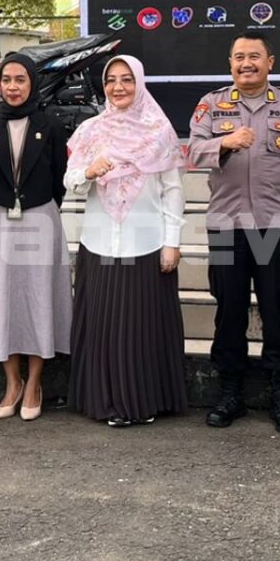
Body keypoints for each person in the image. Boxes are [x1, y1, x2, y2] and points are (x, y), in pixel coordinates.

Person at [188, 34, 280, 434]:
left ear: (270, 62)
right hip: (227, 226)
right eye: (240, 57)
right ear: (230, 63)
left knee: (276, 309)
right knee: (228, 310)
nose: (247, 63)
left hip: (274, 224)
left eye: (255, 57)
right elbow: (193, 152)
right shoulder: (211, 104)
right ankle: (230, 394)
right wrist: (224, 142)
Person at [65, 55, 188, 428]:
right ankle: (106, 403)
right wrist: (89, 171)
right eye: (111, 80)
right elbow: (69, 181)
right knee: (103, 327)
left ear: (140, 83)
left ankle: (143, 401)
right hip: (99, 243)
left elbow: (173, 191)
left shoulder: (159, 131)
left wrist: (172, 241)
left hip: (146, 243)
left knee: (140, 328)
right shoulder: (90, 131)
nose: (118, 87)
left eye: (127, 79)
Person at [0, 54, 71, 422]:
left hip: (40, 216)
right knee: (2, 298)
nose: (12, 87)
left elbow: (59, 178)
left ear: (32, 83)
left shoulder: (50, 124)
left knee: (39, 297)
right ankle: (12, 382)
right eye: (6, 80)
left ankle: (35, 382)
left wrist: (40, 207)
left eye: (20, 80)